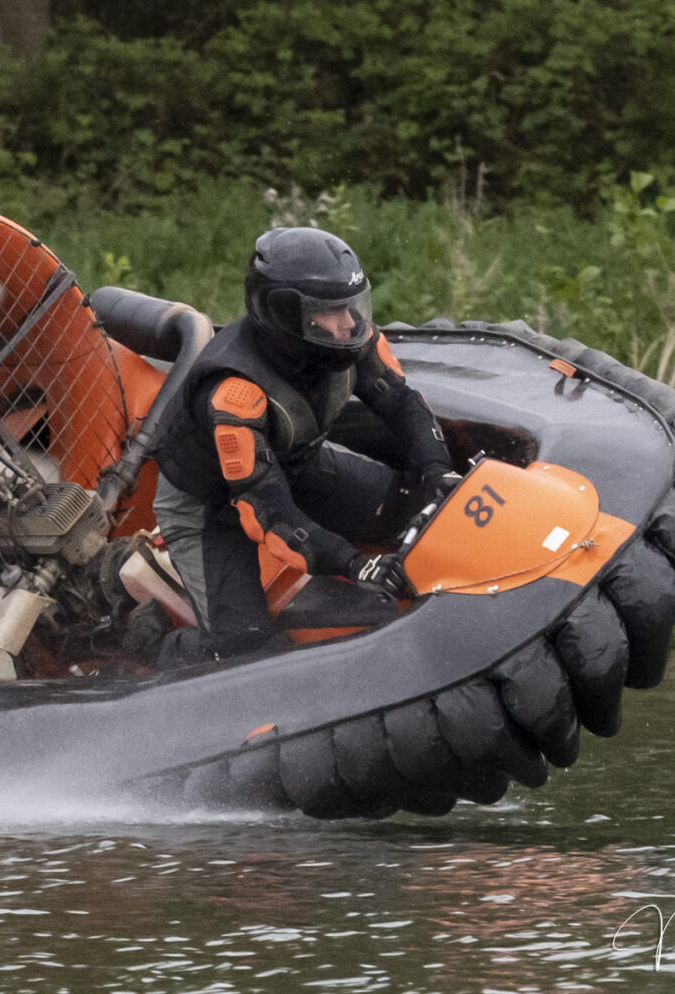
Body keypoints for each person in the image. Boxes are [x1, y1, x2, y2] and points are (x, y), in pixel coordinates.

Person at [151, 226, 459, 666]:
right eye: (330, 312)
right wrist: (354, 565)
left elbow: (402, 402)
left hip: (294, 463)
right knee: (245, 646)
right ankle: (150, 641)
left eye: (352, 307)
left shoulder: (353, 341)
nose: (350, 323)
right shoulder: (232, 392)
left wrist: (436, 469)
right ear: (284, 316)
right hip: (209, 511)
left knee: (406, 503)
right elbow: (269, 512)